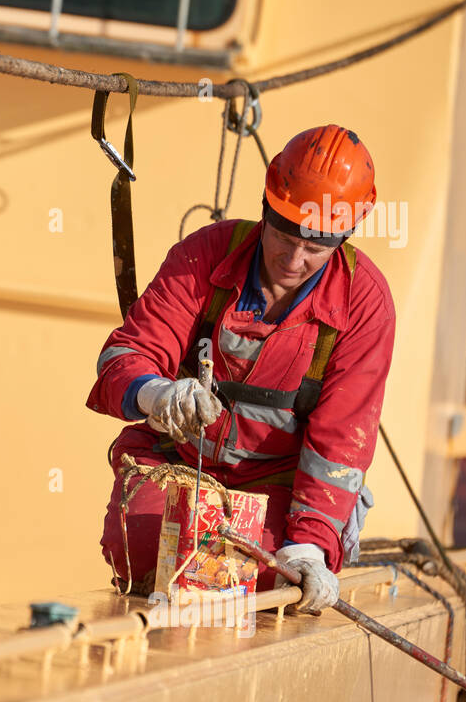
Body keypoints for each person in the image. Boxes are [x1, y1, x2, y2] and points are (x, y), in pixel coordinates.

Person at [86, 125, 396, 613]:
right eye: (285, 234)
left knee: (262, 580)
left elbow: (342, 441)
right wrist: (155, 394)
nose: (294, 260)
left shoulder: (364, 303)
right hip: (182, 460)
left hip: (278, 484)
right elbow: (124, 357)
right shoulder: (204, 255)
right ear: (266, 208)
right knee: (142, 553)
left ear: (345, 234)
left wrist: (310, 543)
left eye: (315, 247)